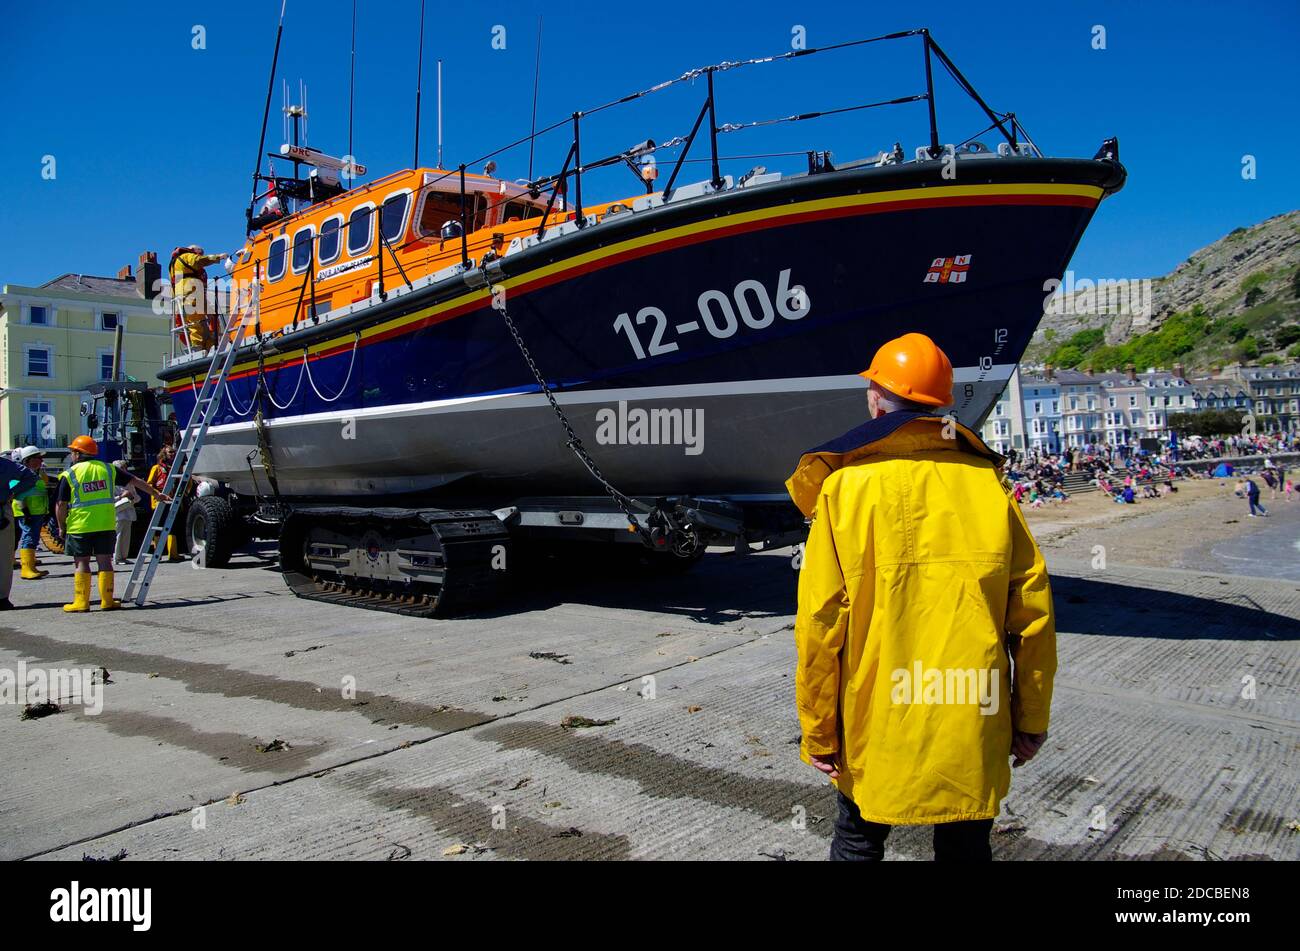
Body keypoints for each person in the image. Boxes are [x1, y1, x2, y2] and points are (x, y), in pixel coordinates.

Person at [786, 332, 1056, 862]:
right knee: (965, 842)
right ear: (942, 404)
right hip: (970, 713)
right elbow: (1032, 616)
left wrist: (819, 731)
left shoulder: (843, 491)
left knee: (859, 838)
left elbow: (820, 624)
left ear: (877, 398)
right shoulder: (987, 486)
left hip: (876, 720)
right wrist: (1031, 719)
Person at [54, 435, 169, 612]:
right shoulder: (108, 469)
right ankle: (107, 601)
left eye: (72, 452)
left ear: (78, 454)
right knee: (105, 561)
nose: (72, 455)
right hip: (106, 524)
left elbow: (61, 505)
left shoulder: (70, 474)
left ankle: (81, 602)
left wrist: (62, 526)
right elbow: (135, 481)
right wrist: (156, 494)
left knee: (82, 563)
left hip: (80, 526)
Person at [0, 451, 39, 610]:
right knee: (3, 557)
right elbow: (30, 477)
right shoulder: (4, 465)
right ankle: (1, 598)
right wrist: (10, 489)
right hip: (2, 510)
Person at [169, 245, 226, 351]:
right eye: (200, 252)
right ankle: (199, 347)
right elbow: (200, 261)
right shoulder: (187, 256)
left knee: (208, 318)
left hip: (185, 295)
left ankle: (209, 344)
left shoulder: (175, 264)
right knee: (196, 322)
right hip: (191, 293)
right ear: (194, 251)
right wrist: (219, 257)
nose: (201, 255)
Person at [11, 446, 51, 580]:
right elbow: (14, 490)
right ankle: (26, 569)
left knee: (32, 538)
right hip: (28, 512)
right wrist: (25, 510)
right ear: (28, 460)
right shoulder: (21, 474)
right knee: (28, 537)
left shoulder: (35, 473)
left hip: (36, 511)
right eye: (38, 458)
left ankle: (31, 566)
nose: (41, 460)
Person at [147, 446, 184, 561]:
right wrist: (156, 495)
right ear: (164, 454)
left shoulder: (176, 469)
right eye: (170, 452)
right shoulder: (156, 468)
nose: (172, 454)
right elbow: (149, 484)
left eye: (174, 452)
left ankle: (173, 554)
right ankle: (158, 554)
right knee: (158, 527)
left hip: (172, 501)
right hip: (159, 502)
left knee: (172, 527)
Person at [112, 459, 141, 565]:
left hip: (129, 512)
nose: (124, 470)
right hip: (118, 513)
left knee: (126, 537)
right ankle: (116, 557)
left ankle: (124, 557)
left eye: (124, 468)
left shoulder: (129, 482)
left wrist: (132, 497)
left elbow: (137, 497)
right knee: (118, 536)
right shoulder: (112, 482)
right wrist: (121, 496)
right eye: (122, 468)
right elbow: (110, 499)